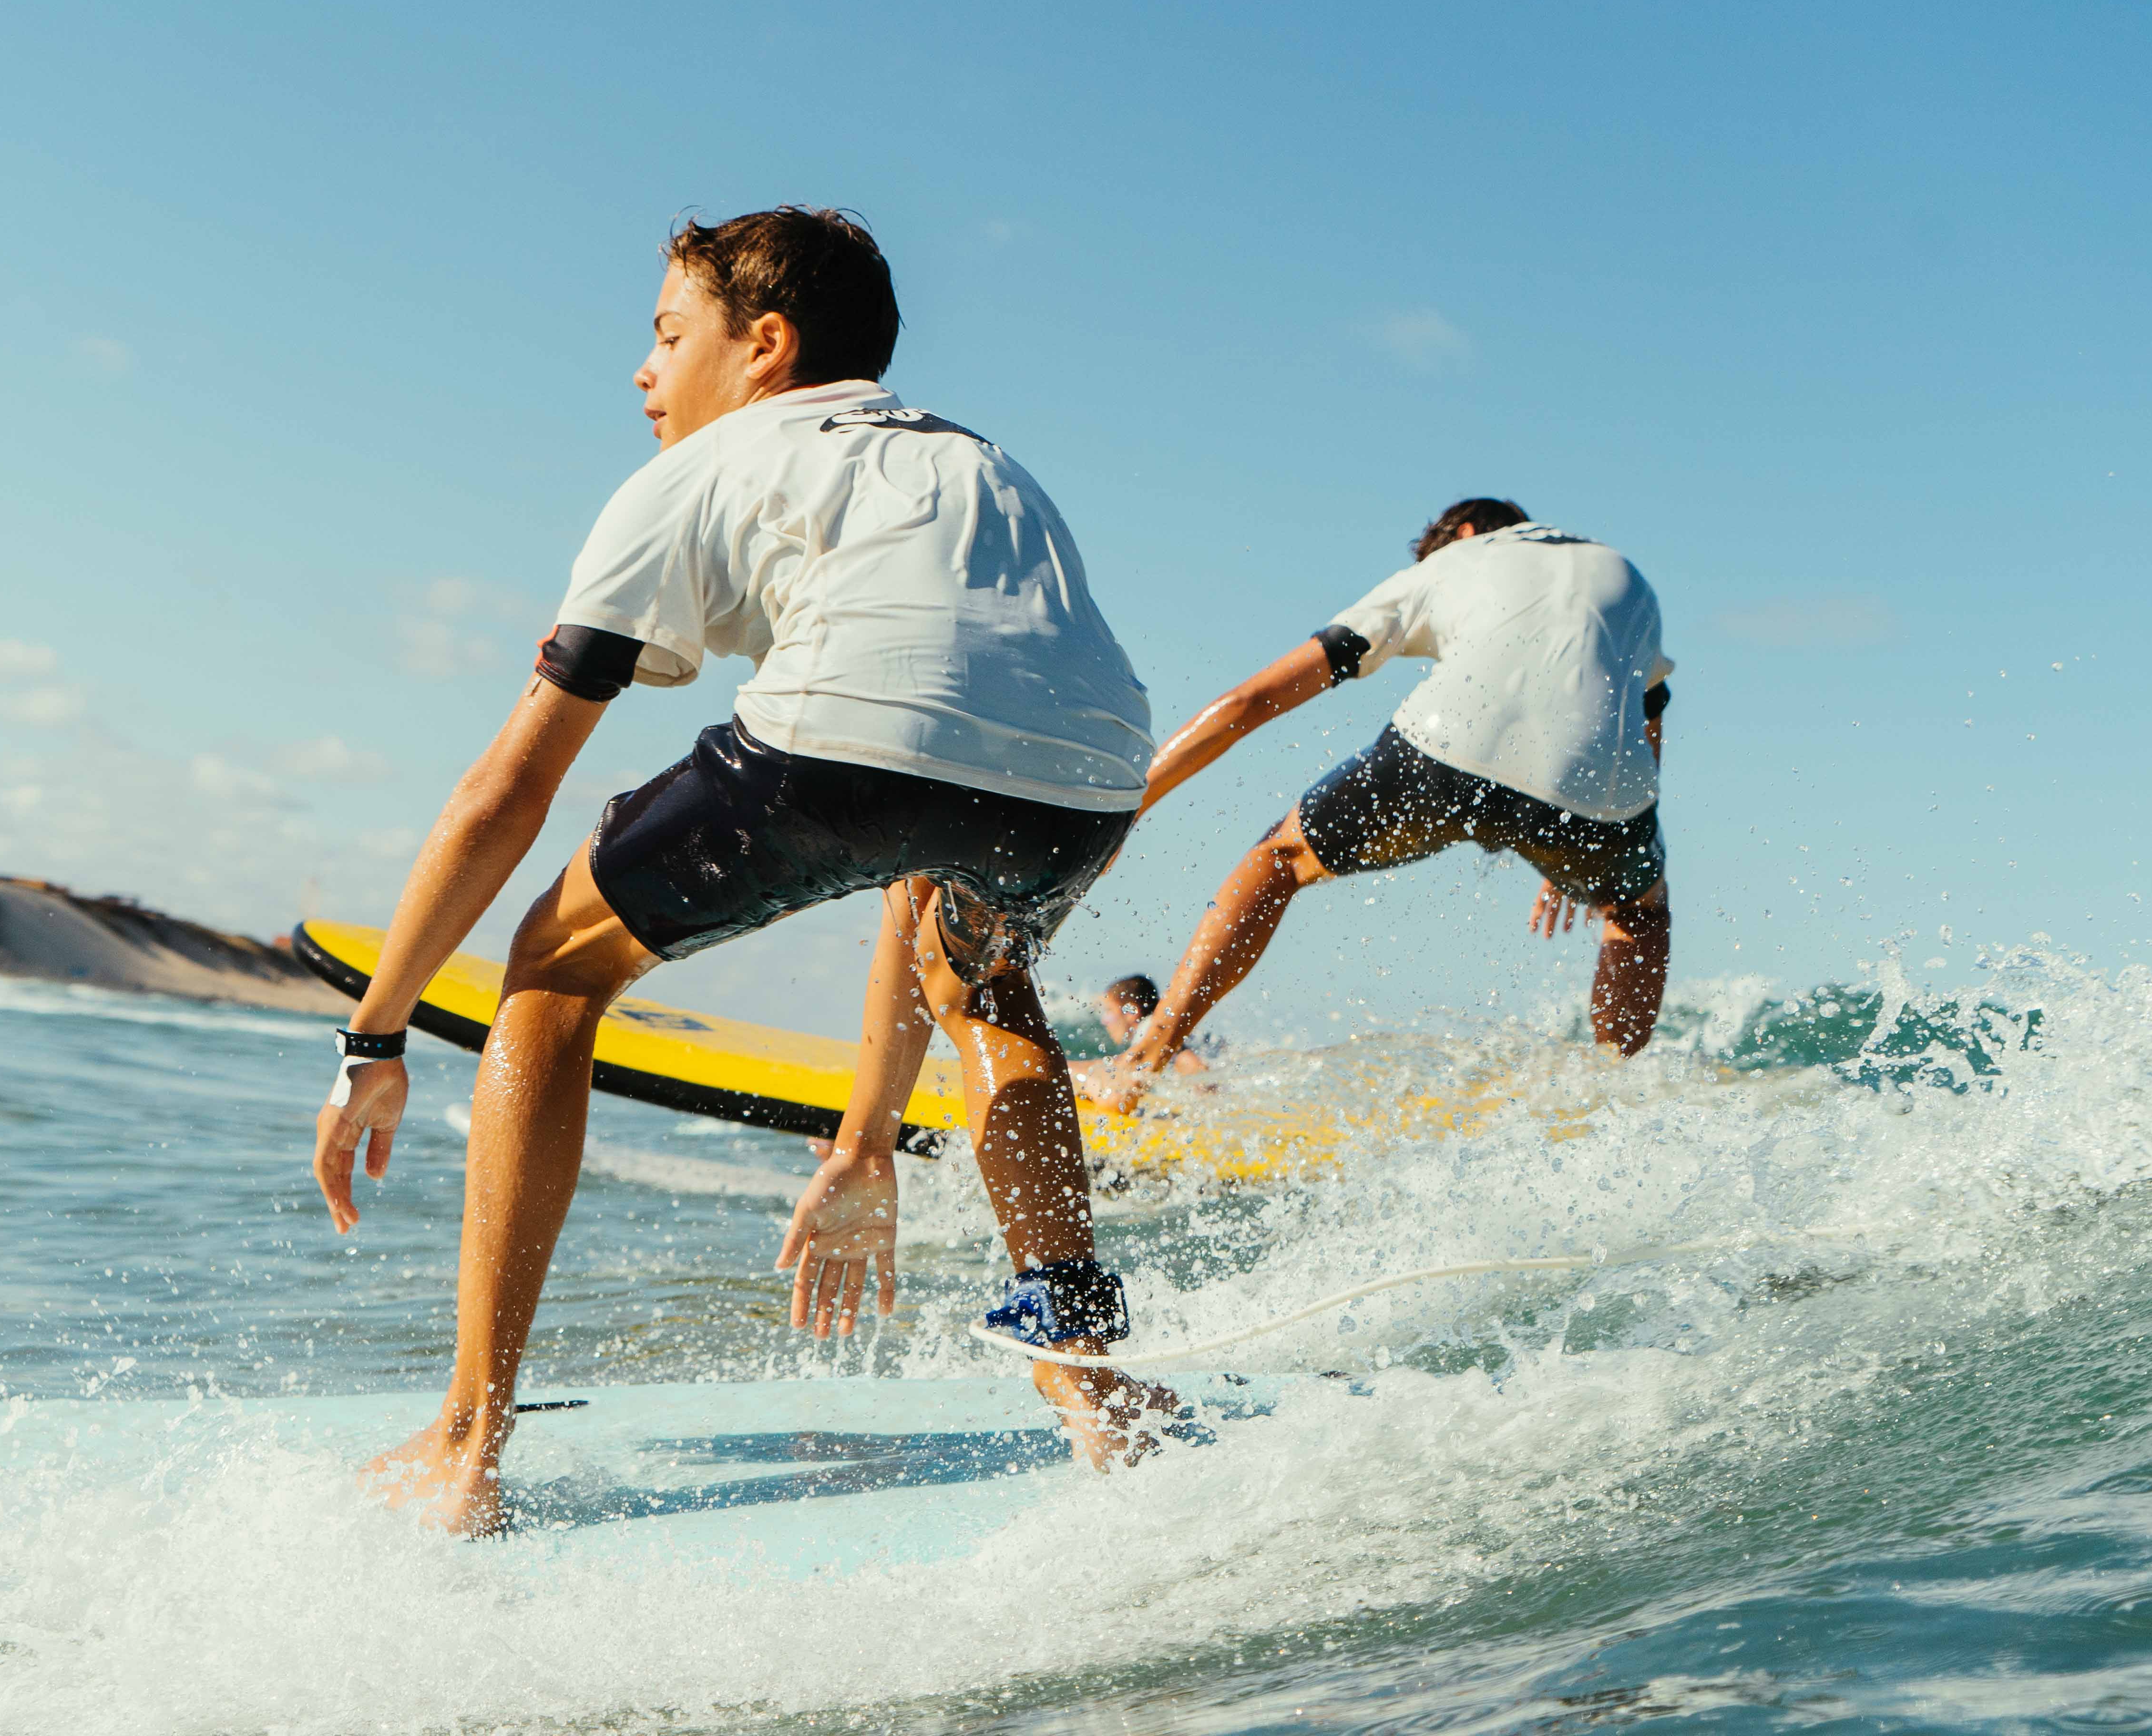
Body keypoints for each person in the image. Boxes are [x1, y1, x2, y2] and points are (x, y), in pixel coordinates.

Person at [311, 207, 1167, 1532]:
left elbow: (507, 789)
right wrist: (865, 1140)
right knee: (985, 988)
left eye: (668, 336)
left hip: (847, 740)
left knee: (551, 967)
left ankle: (467, 1440)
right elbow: (931, 793)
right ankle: (1091, 1380)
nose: (644, 371)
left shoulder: (696, 469)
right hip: (1090, 779)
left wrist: (376, 1034)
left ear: (764, 346)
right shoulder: (979, 463)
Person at [1082, 497, 1672, 1107]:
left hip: (1447, 747)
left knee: (1281, 859)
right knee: (1639, 914)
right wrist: (1582, 851)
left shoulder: (1454, 562)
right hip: (1602, 792)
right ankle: (1611, 1105)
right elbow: (1644, 722)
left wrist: (1132, 804)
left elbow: (1249, 702)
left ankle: (1140, 1066)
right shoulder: (1626, 577)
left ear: (1466, 533)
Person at [1094, 973, 1209, 1075]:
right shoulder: (1157, 1025)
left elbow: (1188, 1060)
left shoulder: (1148, 1029)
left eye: (1109, 1010)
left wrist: (1204, 1087)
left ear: (1131, 1012)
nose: (1104, 1021)